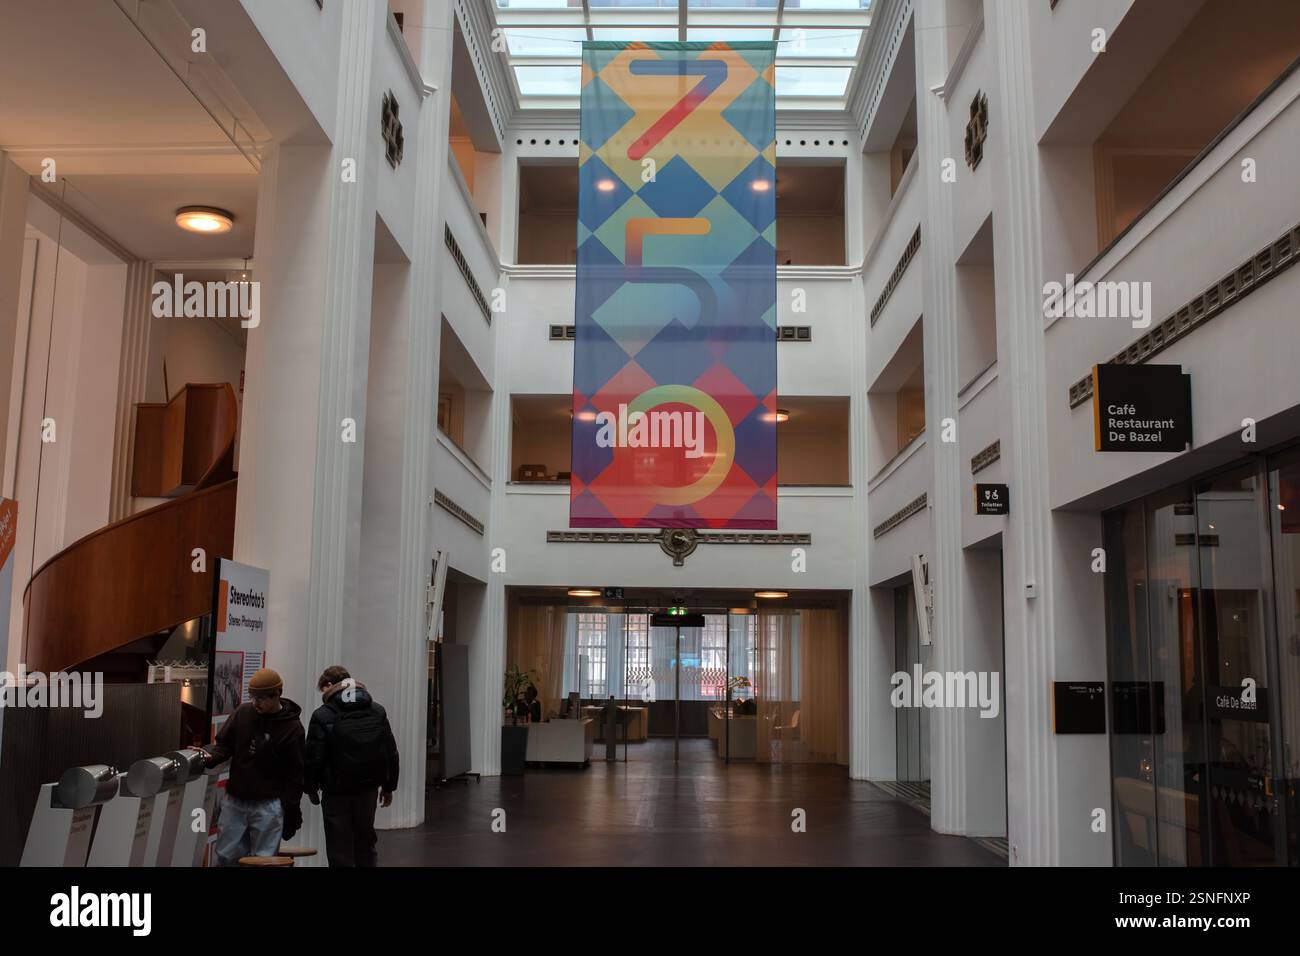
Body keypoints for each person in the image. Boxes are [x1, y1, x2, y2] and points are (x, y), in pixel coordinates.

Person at [194, 668, 305, 866]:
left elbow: (295, 772)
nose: (255, 703)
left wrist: (290, 807)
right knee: (226, 856)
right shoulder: (243, 713)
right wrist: (210, 757)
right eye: (253, 697)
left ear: (277, 693)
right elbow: (224, 745)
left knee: (264, 859)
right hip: (235, 799)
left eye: (261, 699)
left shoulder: (292, 728)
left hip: (269, 803)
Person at [304, 666, 400, 867]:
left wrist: (311, 788)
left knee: (339, 847)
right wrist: (389, 786)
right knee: (365, 842)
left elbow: (314, 758)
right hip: (368, 789)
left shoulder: (322, 715)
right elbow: (390, 752)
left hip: (336, 791)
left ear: (329, 685)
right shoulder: (377, 710)